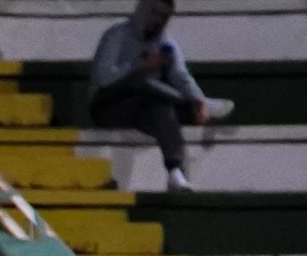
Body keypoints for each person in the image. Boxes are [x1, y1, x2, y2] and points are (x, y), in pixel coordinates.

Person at [89, 0, 233, 191]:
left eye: (163, 16)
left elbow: (181, 76)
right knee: (143, 81)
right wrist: (138, 65)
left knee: (162, 109)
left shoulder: (165, 42)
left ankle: (175, 172)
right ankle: (201, 104)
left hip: (143, 105)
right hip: (108, 105)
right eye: (155, 13)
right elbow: (104, 77)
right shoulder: (117, 35)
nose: (157, 20)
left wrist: (197, 99)